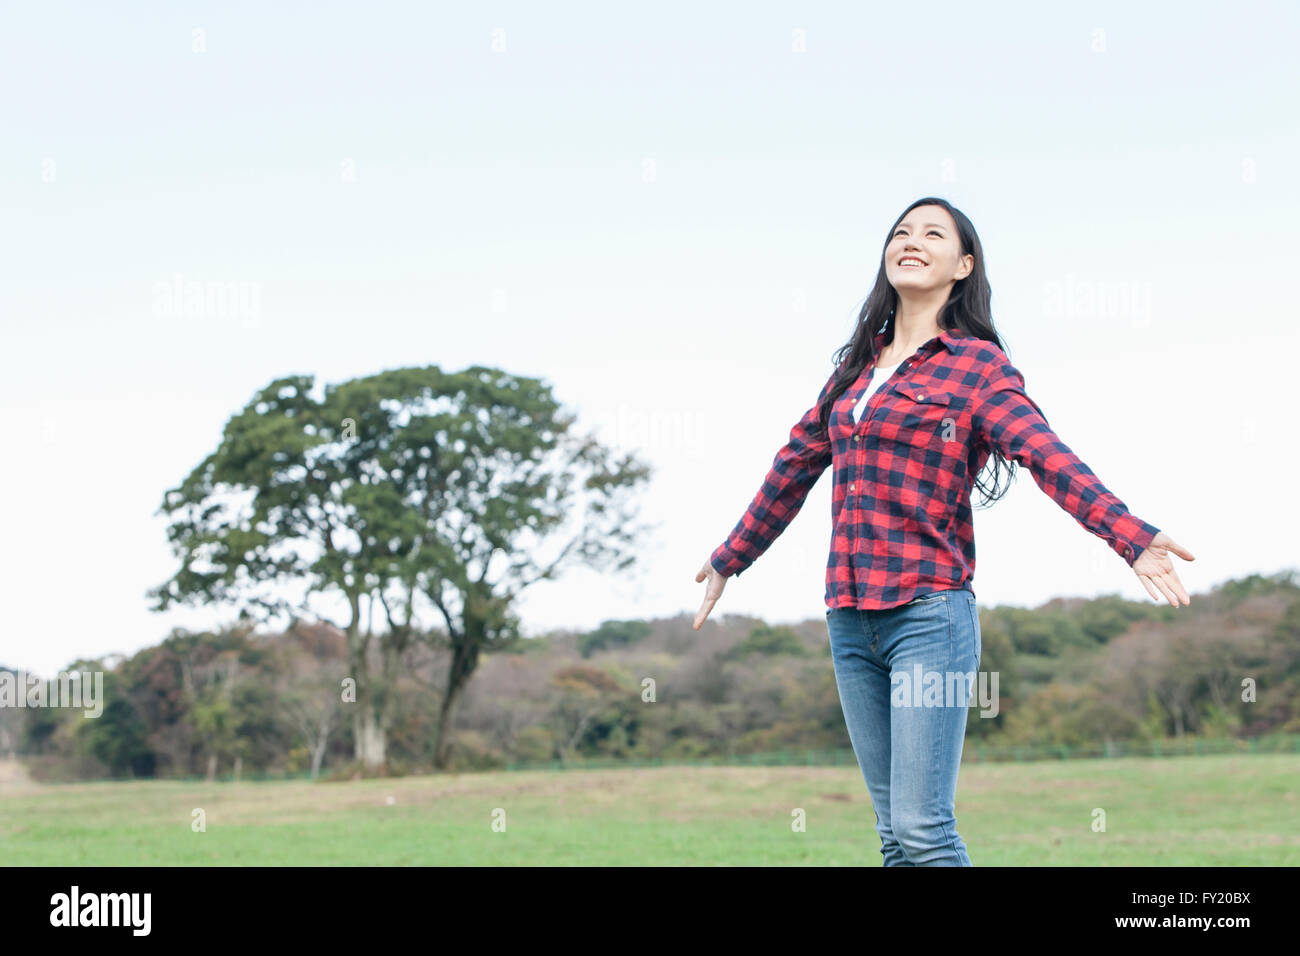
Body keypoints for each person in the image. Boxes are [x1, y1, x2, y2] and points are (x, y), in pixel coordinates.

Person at [692, 197, 1195, 866]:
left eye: (933, 234)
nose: (911, 240)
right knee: (894, 839)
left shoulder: (975, 367)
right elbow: (793, 465)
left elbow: (1045, 453)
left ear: (963, 265)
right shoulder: (855, 371)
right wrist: (732, 555)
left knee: (924, 829)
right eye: (901, 231)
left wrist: (1128, 533)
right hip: (849, 619)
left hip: (930, 616)